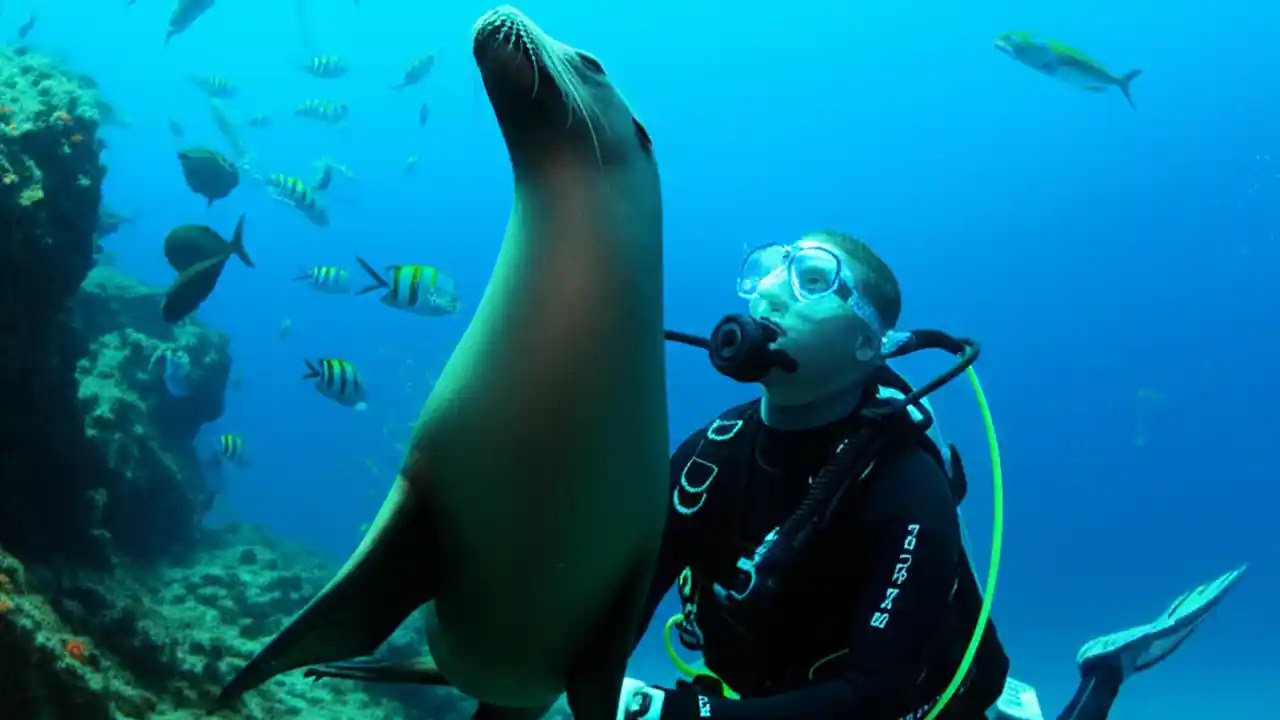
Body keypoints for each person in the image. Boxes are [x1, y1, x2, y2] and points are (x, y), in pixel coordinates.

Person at [617, 230, 1247, 720]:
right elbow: (619, 610)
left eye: (812, 278)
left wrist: (662, 711)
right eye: (768, 270)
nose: (769, 291)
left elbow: (874, 696)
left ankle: (1103, 671)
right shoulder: (708, 457)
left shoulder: (906, 488)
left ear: (873, 344)